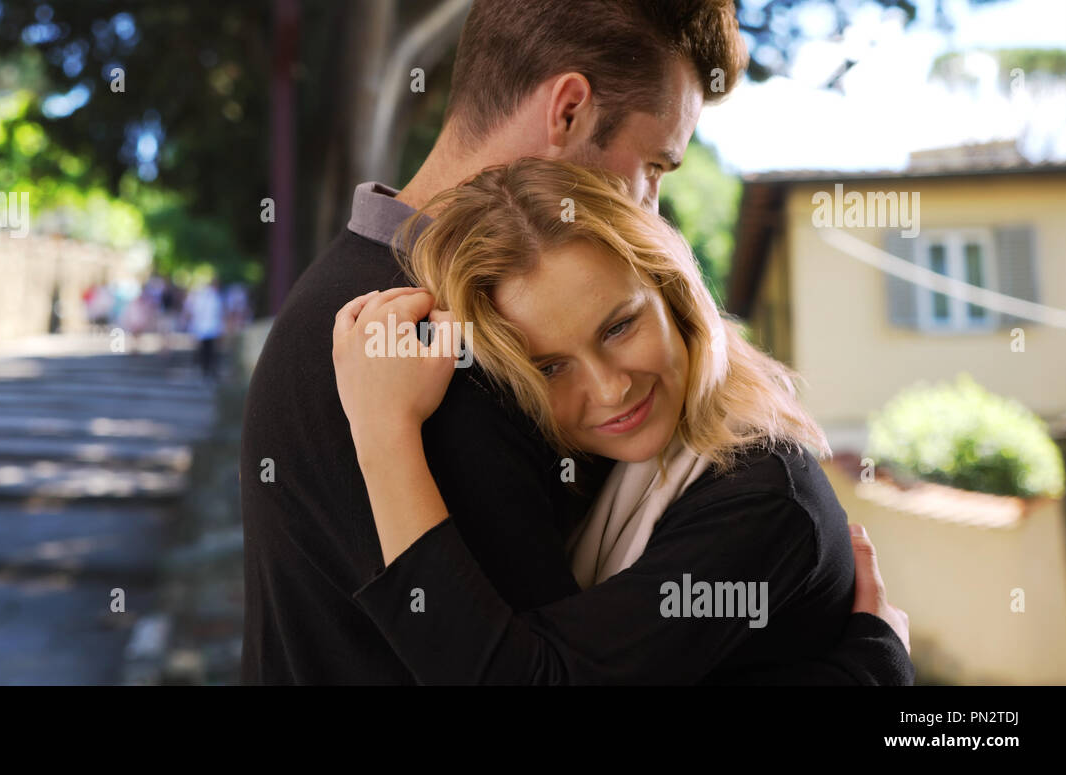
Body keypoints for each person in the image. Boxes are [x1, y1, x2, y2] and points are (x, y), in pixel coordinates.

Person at [241, 0, 911, 684]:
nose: (648, 208)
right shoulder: (436, 358)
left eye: (619, 325)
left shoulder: (338, 298)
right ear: (568, 111)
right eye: (654, 165)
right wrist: (870, 667)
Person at [333, 158, 911, 682]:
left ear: (672, 291)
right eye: (550, 367)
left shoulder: (763, 496)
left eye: (619, 327)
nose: (610, 388)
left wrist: (385, 431)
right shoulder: (594, 468)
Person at [186, 280, 224, 380]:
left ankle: (206, 369)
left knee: (207, 349)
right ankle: (206, 369)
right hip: (208, 327)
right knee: (208, 350)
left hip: (206, 327)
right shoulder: (213, 297)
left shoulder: (206, 297)